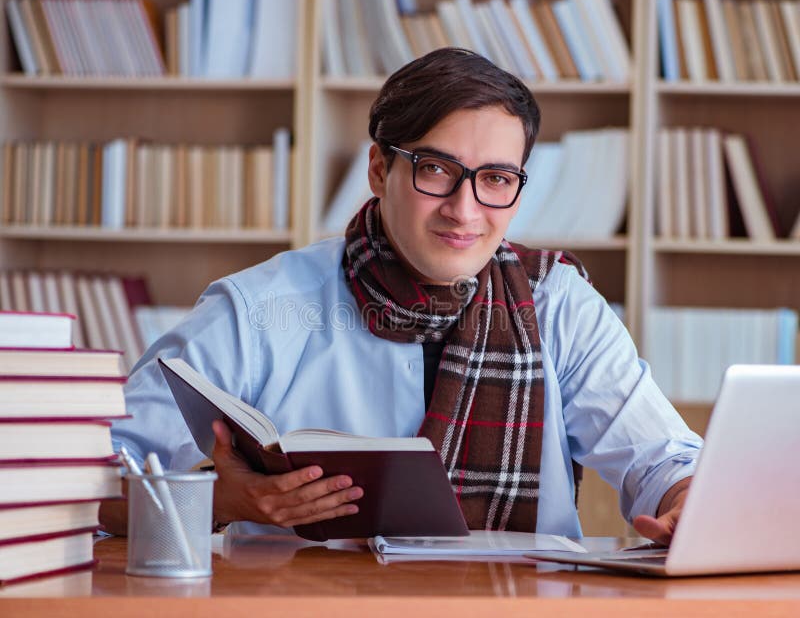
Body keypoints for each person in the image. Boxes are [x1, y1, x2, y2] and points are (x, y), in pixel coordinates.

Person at [101, 48, 701, 545]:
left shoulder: (559, 304)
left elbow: (662, 459)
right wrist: (214, 500)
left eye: (495, 179)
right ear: (378, 170)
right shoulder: (259, 307)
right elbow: (85, 480)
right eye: (436, 169)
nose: (464, 211)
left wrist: (686, 502)